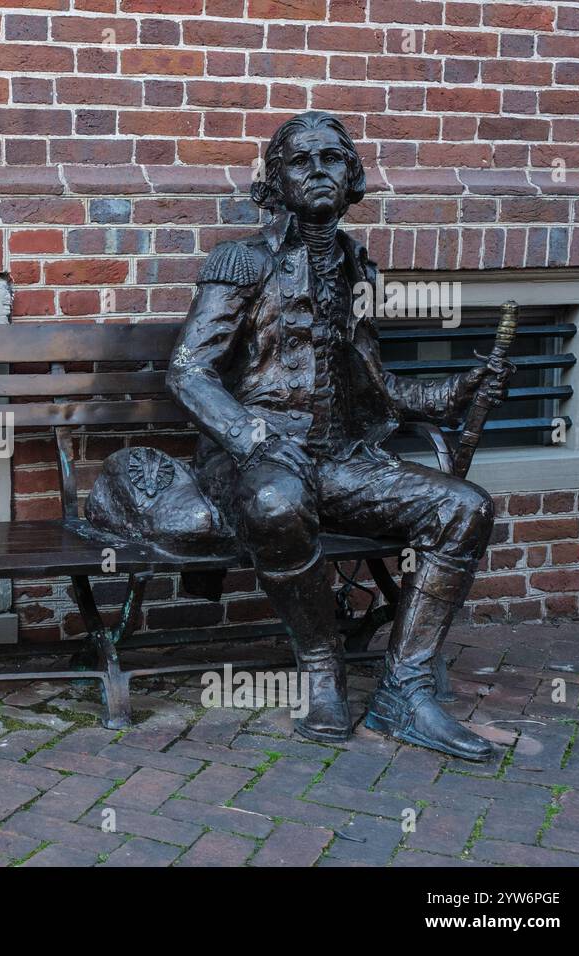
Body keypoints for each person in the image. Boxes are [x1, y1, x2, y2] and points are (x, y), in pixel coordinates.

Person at [167, 111, 512, 760]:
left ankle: (403, 694)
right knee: (277, 503)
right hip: (257, 456)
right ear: (276, 182)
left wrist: (455, 393)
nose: (321, 170)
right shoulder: (240, 261)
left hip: (340, 459)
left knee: (464, 508)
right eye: (302, 161)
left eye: (334, 159)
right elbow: (189, 372)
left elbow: (376, 388)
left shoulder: (358, 271)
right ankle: (321, 666)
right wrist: (253, 437)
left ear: (352, 177)